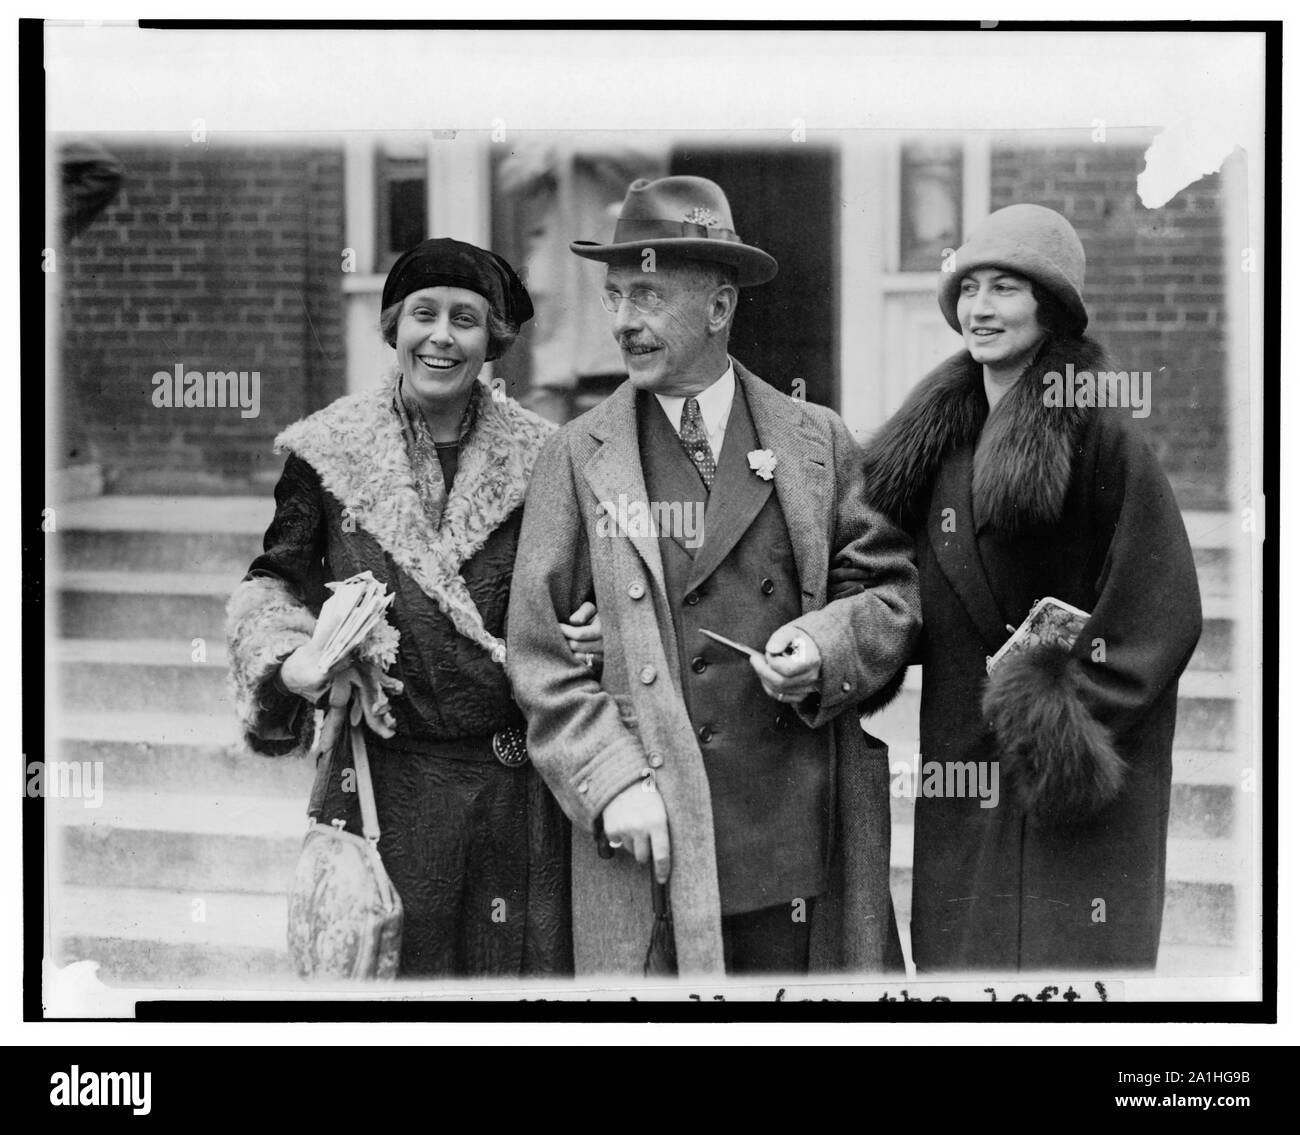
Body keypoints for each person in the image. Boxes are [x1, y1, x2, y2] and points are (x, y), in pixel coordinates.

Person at [507, 176, 921, 977]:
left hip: (794, 845)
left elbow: (890, 596)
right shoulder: (577, 453)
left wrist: (824, 643)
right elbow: (537, 655)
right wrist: (610, 780)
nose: (624, 321)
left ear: (720, 307)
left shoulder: (816, 440)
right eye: (614, 295)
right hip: (653, 837)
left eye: (649, 295)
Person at [225, 237, 602, 979]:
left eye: (465, 319)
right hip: (385, 785)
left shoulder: (548, 456)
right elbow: (272, 582)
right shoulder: (329, 451)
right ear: (393, 327)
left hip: (514, 792)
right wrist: (290, 658)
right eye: (422, 314)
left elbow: (587, 588)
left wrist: (594, 632)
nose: (441, 336)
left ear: (492, 340)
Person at [860, 203, 1202, 972]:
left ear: (1050, 309)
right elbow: (886, 580)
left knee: (1067, 971)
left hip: (1075, 760)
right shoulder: (933, 446)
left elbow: (1163, 603)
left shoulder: (1103, 433)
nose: (980, 308)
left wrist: (1062, 715)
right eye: (969, 288)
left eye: (1005, 288)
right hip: (965, 756)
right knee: (966, 964)